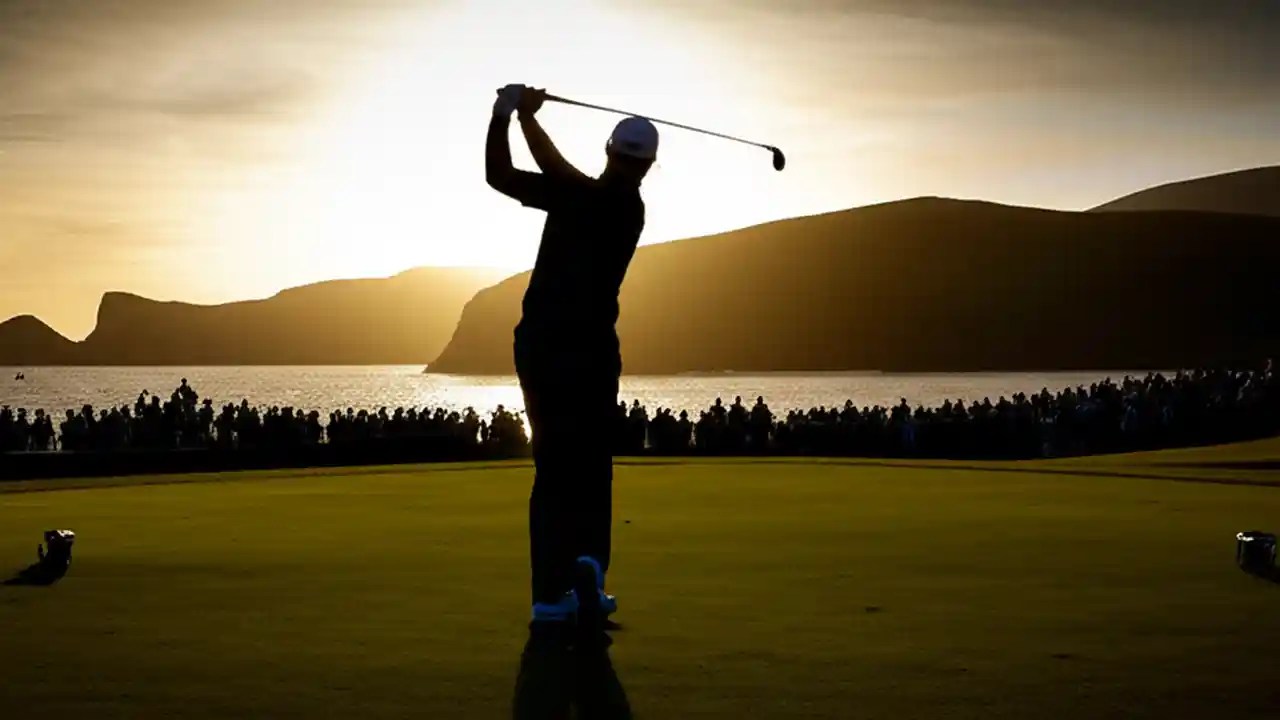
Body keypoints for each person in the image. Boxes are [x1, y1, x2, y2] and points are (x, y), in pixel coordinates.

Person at [486, 83, 656, 637]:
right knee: (587, 465)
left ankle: (558, 588)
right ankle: (585, 569)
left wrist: (511, 115)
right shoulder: (616, 203)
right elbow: (512, 178)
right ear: (648, 165)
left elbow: (512, 172)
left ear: (610, 152)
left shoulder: (602, 201)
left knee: (556, 467)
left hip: (544, 346)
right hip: (589, 349)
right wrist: (514, 116)